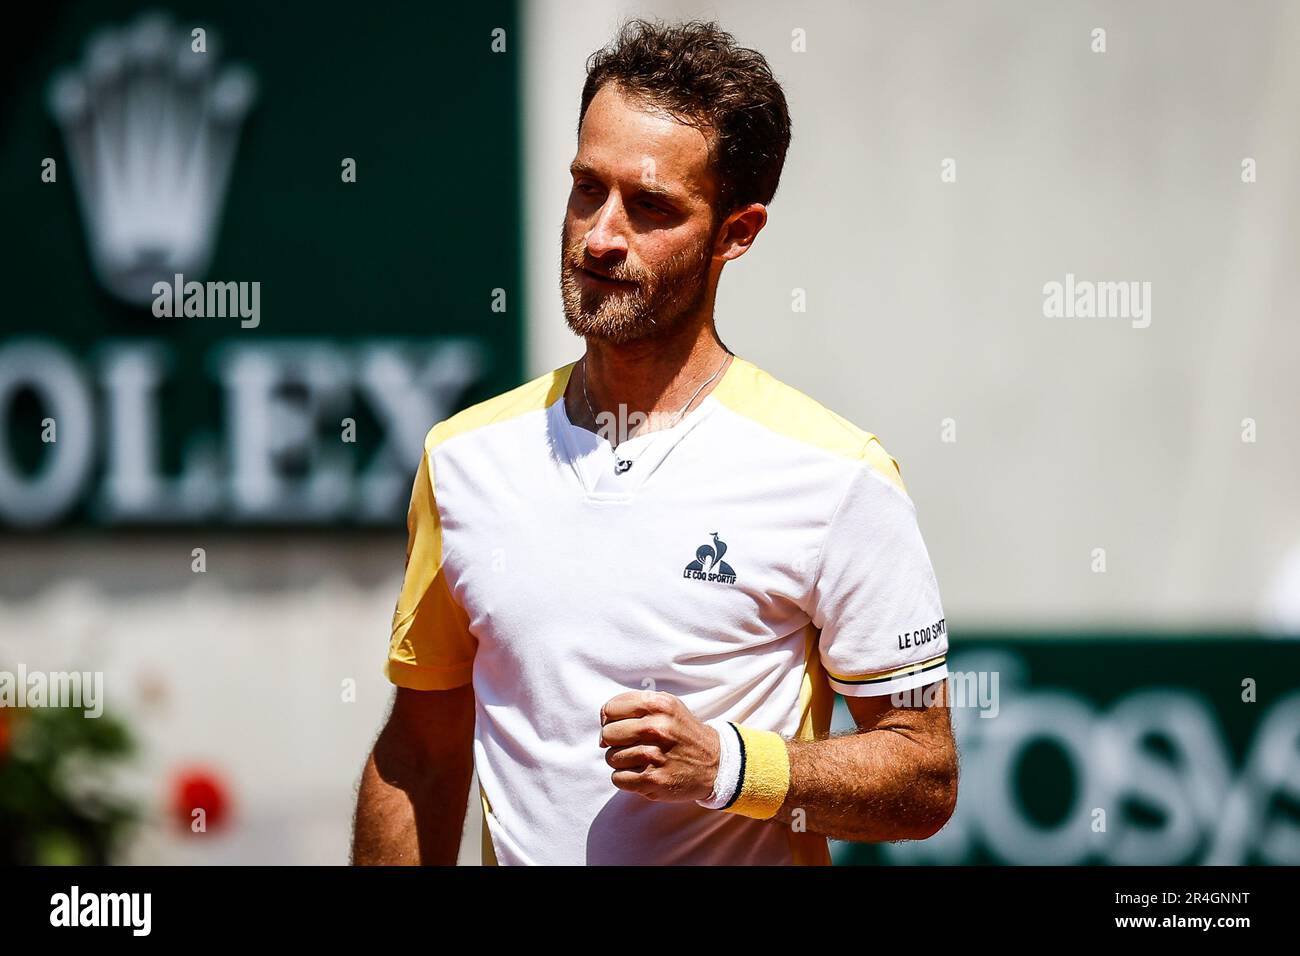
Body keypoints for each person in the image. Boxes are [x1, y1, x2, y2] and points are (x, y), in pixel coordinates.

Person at [352, 18, 956, 866]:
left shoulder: (839, 475)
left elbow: (924, 776)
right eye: (586, 189)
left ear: (736, 234)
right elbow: (420, 751)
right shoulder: (461, 459)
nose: (600, 235)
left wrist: (730, 767)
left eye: (650, 207)